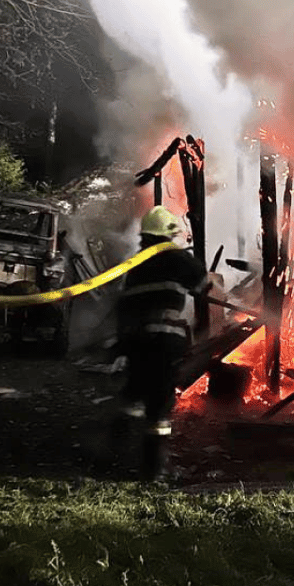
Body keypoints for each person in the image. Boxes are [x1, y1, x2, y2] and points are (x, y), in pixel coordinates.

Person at [114, 205, 210, 481]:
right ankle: (154, 470)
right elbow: (203, 285)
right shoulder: (178, 259)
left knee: (133, 393)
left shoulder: (136, 265)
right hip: (164, 341)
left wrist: (122, 344)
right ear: (169, 233)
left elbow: (124, 305)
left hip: (135, 341)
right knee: (159, 405)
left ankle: (114, 449)